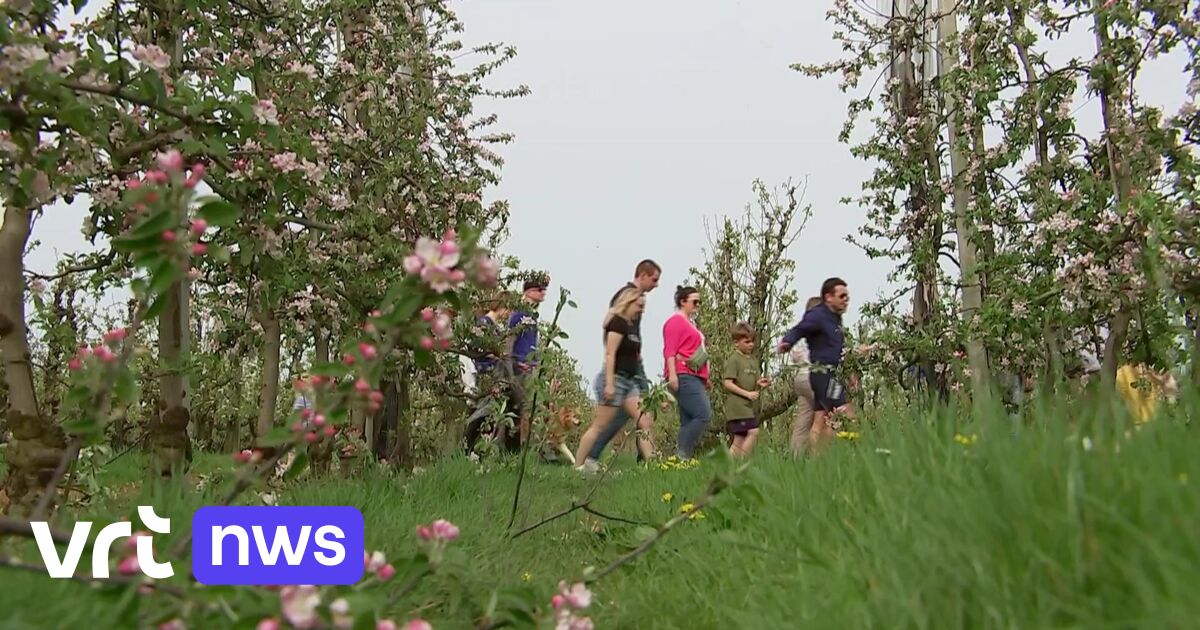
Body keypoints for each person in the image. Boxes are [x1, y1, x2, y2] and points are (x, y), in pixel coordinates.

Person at [585, 260, 661, 465]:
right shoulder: (626, 296)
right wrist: (613, 374)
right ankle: (588, 459)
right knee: (622, 416)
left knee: (639, 415)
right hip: (623, 369)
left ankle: (648, 461)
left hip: (633, 364)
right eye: (654, 279)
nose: (656, 285)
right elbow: (610, 329)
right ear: (642, 275)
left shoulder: (638, 299)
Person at [574, 288, 647, 473]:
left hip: (630, 382)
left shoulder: (631, 326)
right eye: (639, 306)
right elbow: (610, 353)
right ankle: (578, 466)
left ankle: (654, 465)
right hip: (615, 379)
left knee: (644, 419)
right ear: (629, 303)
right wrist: (609, 384)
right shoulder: (617, 323)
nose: (641, 310)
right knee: (599, 426)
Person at [778, 277, 851, 451]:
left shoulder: (835, 318)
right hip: (825, 374)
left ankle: (817, 461)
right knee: (842, 413)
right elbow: (800, 328)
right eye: (842, 296)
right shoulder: (818, 315)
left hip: (829, 374)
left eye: (847, 297)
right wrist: (787, 342)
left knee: (820, 418)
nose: (846, 300)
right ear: (828, 297)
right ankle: (826, 456)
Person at [664, 285, 711, 460]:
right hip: (684, 374)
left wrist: (705, 377)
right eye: (694, 302)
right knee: (703, 414)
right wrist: (672, 374)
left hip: (695, 374)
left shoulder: (690, 324)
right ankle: (682, 454)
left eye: (699, 302)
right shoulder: (675, 322)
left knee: (688, 419)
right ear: (683, 301)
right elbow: (670, 350)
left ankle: (683, 459)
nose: (697, 305)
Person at [463, 294, 513, 454]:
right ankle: (469, 449)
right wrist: (498, 356)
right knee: (481, 414)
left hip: (494, 373)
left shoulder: (495, 327)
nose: (508, 314)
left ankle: (477, 450)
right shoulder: (484, 324)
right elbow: (479, 351)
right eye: (508, 309)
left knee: (489, 415)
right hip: (486, 373)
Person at [505, 275, 549, 451]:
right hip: (520, 369)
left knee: (530, 409)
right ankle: (524, 448)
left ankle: (524, 448)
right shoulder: (519, 314)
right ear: (529, 292)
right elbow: (509, 342)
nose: (543, 293)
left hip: (531, 368)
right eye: (539, 290)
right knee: (525, 408)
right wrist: (512, 365)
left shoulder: (533, 315)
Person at [722, 323, 771, 458]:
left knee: (739, 439)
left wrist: (760, 383)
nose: (751, 345)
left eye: (752, 341)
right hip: (737, 406)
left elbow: (755, 381)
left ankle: (730, 465)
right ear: (736, 343)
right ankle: (743, 460)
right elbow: (727, 383)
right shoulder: (734, 360)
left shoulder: (753, 361)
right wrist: (747, 394)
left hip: (748, 406)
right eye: (747, 342)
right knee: (753, 431)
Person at [788, 297, 821, 456]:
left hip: (800, 379)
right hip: (814, 378)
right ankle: (818, 457)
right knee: (823, 416)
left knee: (803, 420)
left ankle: (795, 457)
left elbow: (795, 356)